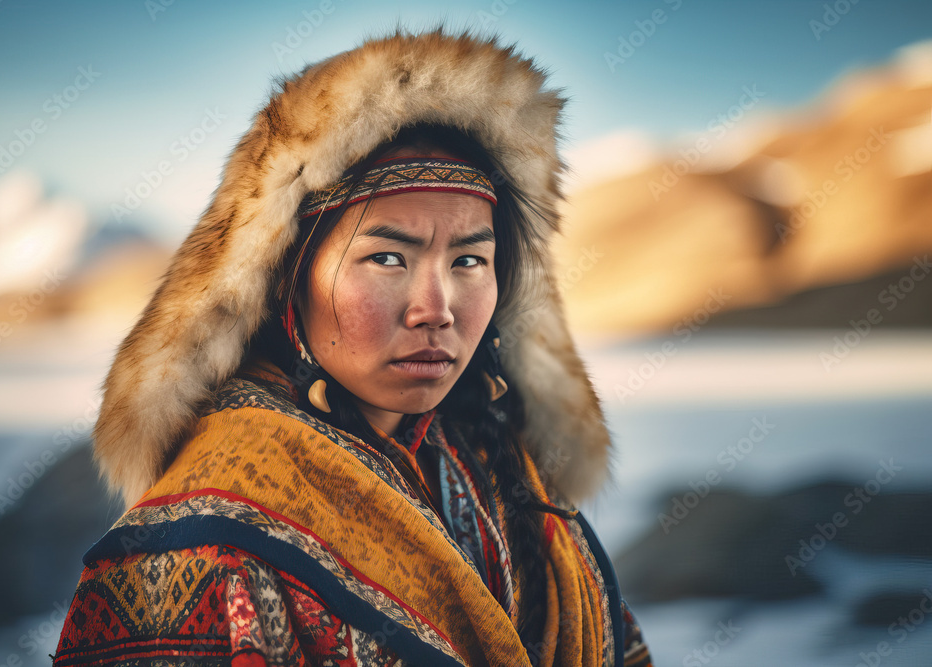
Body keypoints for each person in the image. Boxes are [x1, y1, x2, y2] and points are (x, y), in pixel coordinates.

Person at [53, 29, 653, 667]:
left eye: (471, 259)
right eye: (388, 257)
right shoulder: (208, 534)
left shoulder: (512, 472)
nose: (437, 308)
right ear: (287, 277)